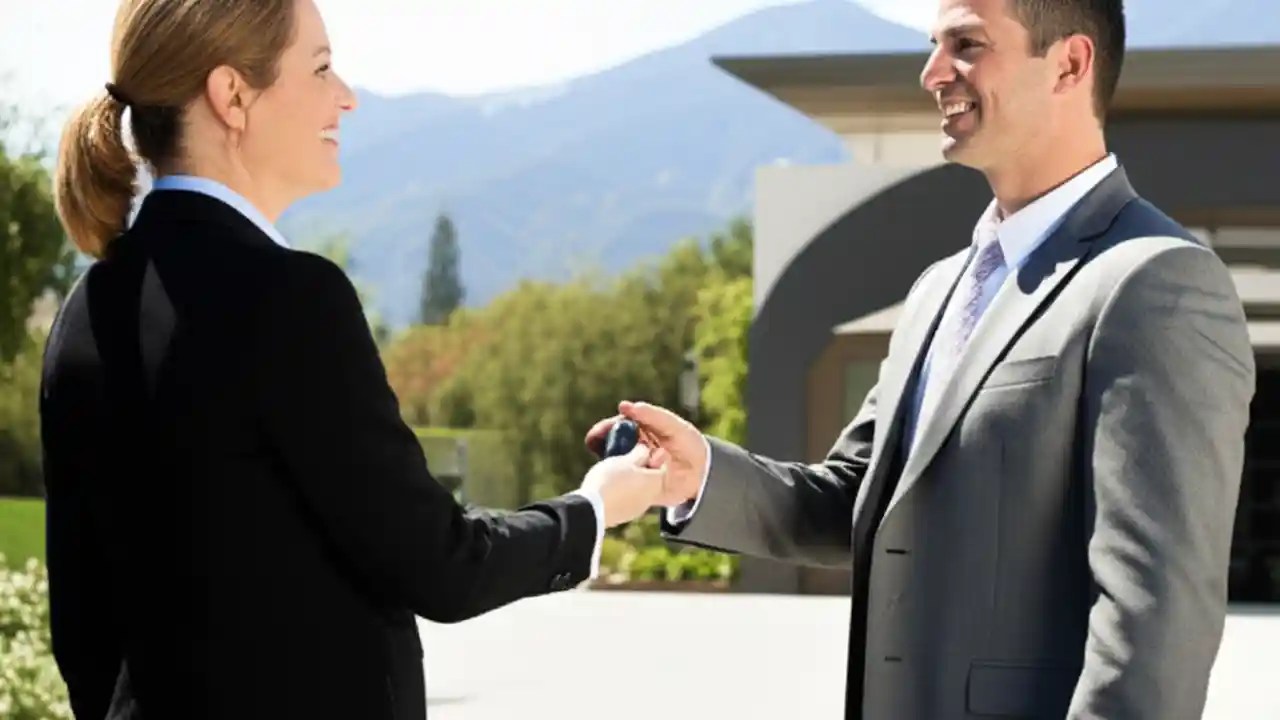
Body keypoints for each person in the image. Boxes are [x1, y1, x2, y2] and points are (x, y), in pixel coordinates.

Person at [588, 0, 1256, 718]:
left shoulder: (1155, 282)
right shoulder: (940, 289)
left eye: (966, 45)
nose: (933, 73)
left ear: (1069, 63)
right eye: (935, 46)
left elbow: (1152, 617)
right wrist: (701, 476)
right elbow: (856, 497)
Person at [41, 1, 664, 718]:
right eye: (321, 66)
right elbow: (441, 564)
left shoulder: (84, 314)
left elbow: (83, 634)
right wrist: (597, 506)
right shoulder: (291, 299)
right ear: (232, 96)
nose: (346, 96)